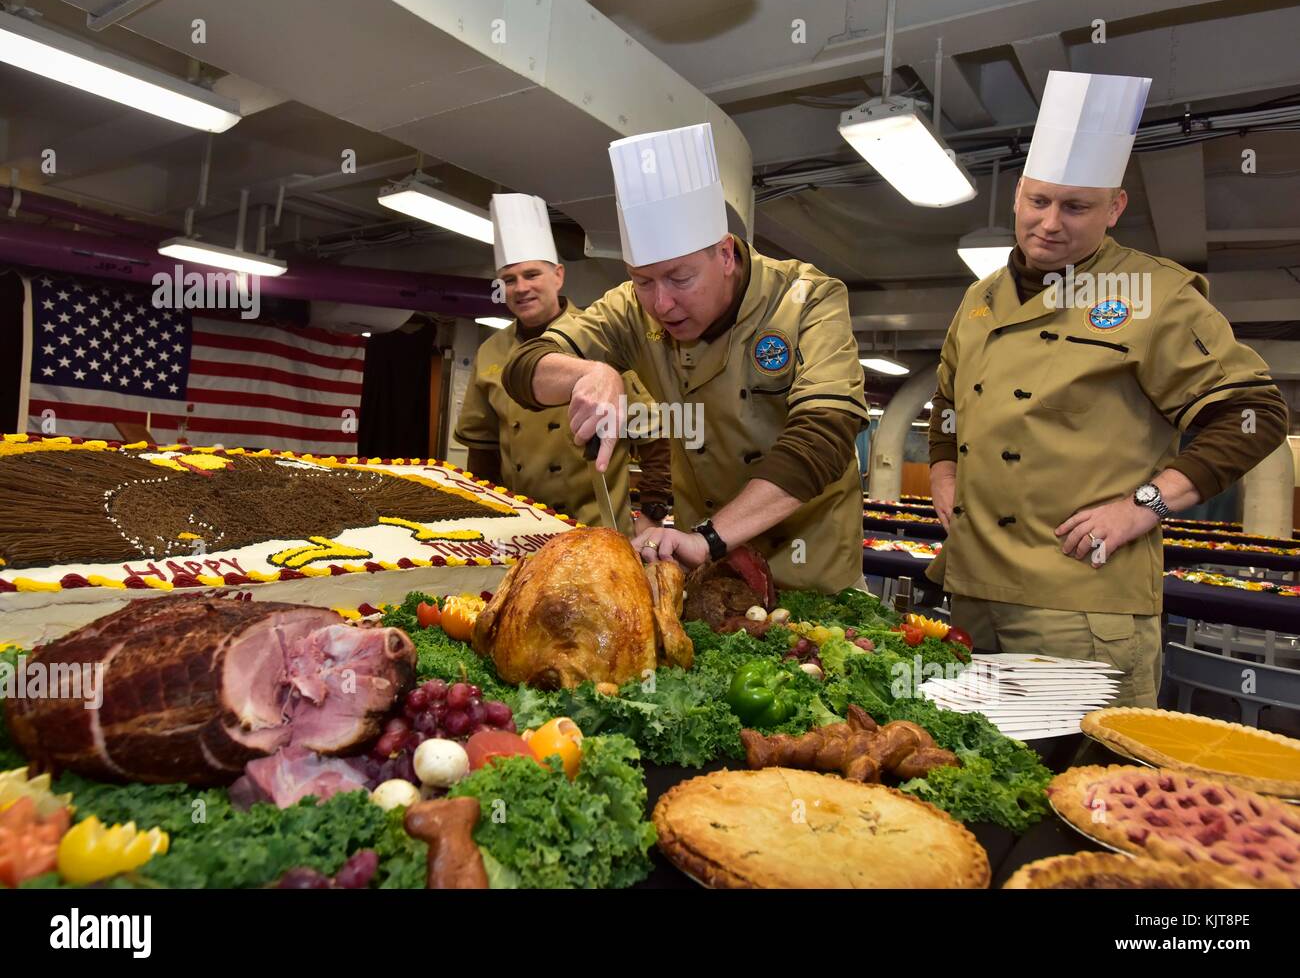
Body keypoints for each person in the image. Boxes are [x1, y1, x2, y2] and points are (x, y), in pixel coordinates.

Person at [926, 71, 1289, 707]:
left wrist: (1146, 503)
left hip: (1080, 604)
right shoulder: (979, 299)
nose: (1049, 224)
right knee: (976, 777)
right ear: (1016, 196)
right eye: (1038, 201)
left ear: (1115, 208)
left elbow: (1254, 413)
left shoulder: (1154, 295)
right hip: (973, 590)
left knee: (1087, 788)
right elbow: (950, 406)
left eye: (1076, 207)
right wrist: (942, 478)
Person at [500, 124, 869, 593]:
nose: (660, 304)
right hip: (707, 571)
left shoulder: (806, 298)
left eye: (679, 278)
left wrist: (711, 537)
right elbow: (524, 367)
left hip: (811, 569)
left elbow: (824, 436)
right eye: (643, 281)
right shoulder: (629, 308)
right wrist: (590, 370)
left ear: (725, 253)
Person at [454, 193, 671, 533]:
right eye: (509, 280)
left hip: (595, 528)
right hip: (520, 529)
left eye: (531, 275)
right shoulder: (491, 352)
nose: (521, 288)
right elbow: (483, 449)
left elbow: (654, 435)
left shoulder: (602, 338)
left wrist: (653, 512)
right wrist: (484, 516)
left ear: (558, 275)